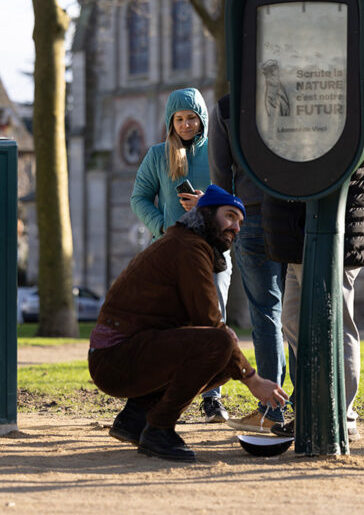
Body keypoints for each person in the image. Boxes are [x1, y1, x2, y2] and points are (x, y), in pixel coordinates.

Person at [89, 186, 288, 462]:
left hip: (120, 356)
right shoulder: (189, 248)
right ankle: (159, 429)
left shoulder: (188, 243)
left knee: (223, 351)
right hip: (114, 360)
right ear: (206, 214)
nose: (236, 227)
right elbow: (211, 324)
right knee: (220, 344)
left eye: (240, 222)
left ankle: (135, 418)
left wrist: (239, 366)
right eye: (230, 216)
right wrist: (252, 379)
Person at [263, 120, 364, 440]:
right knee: (292, 319)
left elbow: (325, 175)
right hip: (300, 238)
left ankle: (343, 414)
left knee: (338, 326)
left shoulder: (353, 117)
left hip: (332, 237)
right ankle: (313, 406)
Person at [129, 87, 232, 423]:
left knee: (212, 320)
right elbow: (139, 198)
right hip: (169, 251)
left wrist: (207, 202)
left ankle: (211, 398)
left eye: (192, 118)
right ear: (170, 122)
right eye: (179, 119)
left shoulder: (218, 152)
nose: (186, 125)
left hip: (212, 252)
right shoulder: (158, 155)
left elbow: (235, 199)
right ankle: (158, 398)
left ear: (202, 120)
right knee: (167, 325)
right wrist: (160, 225)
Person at [208, 94, 288, 432]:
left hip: (251, 215)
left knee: (266, 313)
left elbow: (220, 174)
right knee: (296, 314)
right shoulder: (290, 95)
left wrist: (227, 219)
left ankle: (272, 411)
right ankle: (303, 404)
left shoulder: (228, 106)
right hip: (293, 214)